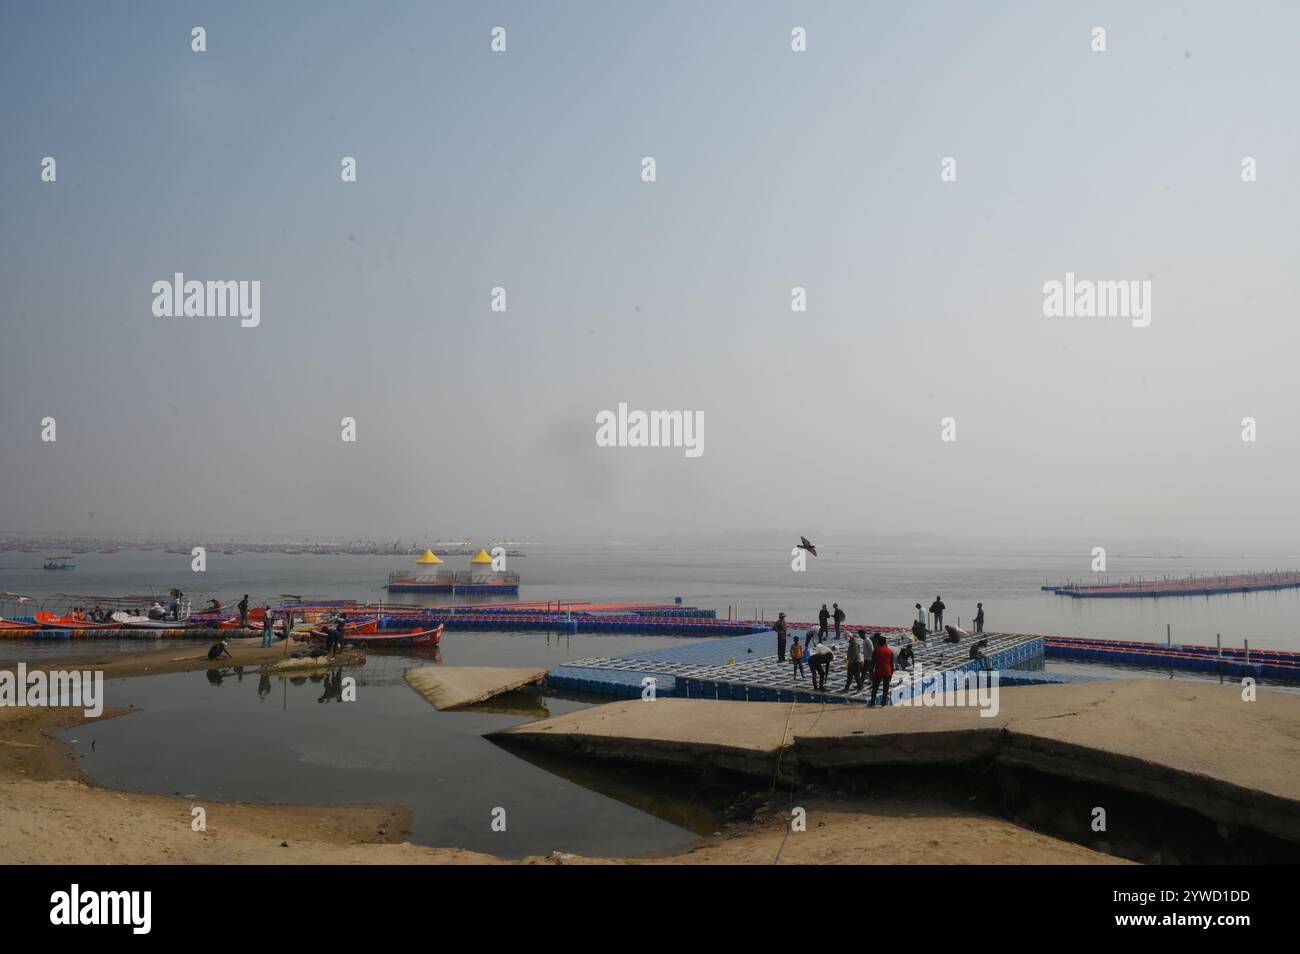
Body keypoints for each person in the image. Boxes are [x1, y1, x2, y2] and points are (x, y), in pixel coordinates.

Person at [869, 635, 894, 707]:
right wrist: (891, 674)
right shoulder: (890, 651)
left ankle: (872, 703)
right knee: (885, 689)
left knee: (875, 688)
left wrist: (871, 673)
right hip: (887, 672)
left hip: (878, 672)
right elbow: (891, 664)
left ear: (878, 642)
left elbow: (872, 663)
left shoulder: (876, 651)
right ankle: (883, 703)